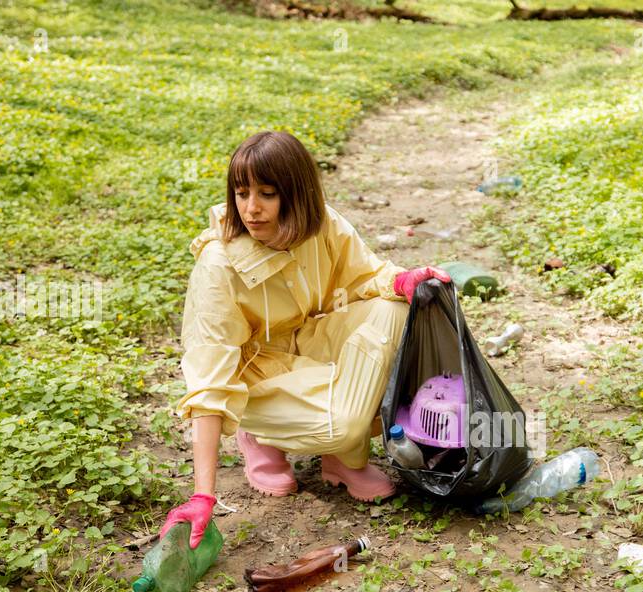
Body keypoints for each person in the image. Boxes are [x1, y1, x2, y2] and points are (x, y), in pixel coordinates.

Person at [159, 130, 450, 547]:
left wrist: (405, 280)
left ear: (295, 195)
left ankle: (343, 458)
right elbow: (208, 380)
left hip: (308, 340)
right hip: (255, 377)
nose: (251, 209)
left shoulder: (322, 224)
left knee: (398, 310)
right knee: (345, 423)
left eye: (267, 193)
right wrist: (203, 494)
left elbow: (366, 276)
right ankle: (261, 435)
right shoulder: (218, 265)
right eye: (241, 193)